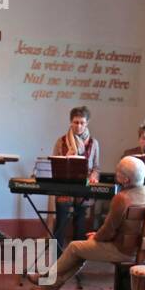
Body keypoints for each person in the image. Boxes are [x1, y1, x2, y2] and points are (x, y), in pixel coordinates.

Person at [27, 156, 145, 290]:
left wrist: (96, 237)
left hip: (120, 250)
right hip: (134, 249)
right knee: (81, 249)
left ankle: (45, 279)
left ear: (126, 180)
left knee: (74, 247)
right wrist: (97, 236)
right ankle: (52, 286)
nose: (116, 174)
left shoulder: (122, 198)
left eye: (118, 172)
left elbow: (109, 230)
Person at [51, 105, 100, 249]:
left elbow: (96, 167)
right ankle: (57, 257)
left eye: (82, 123)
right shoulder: (61, 141)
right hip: (64, 187)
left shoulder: (93, 143)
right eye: (76, 122)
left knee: (80, 223)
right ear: (71, 122)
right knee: (61, 222)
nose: (79, 126)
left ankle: (76, 258)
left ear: (87, 123)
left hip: (83, 188)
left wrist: (94, 176)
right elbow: (54, 165)